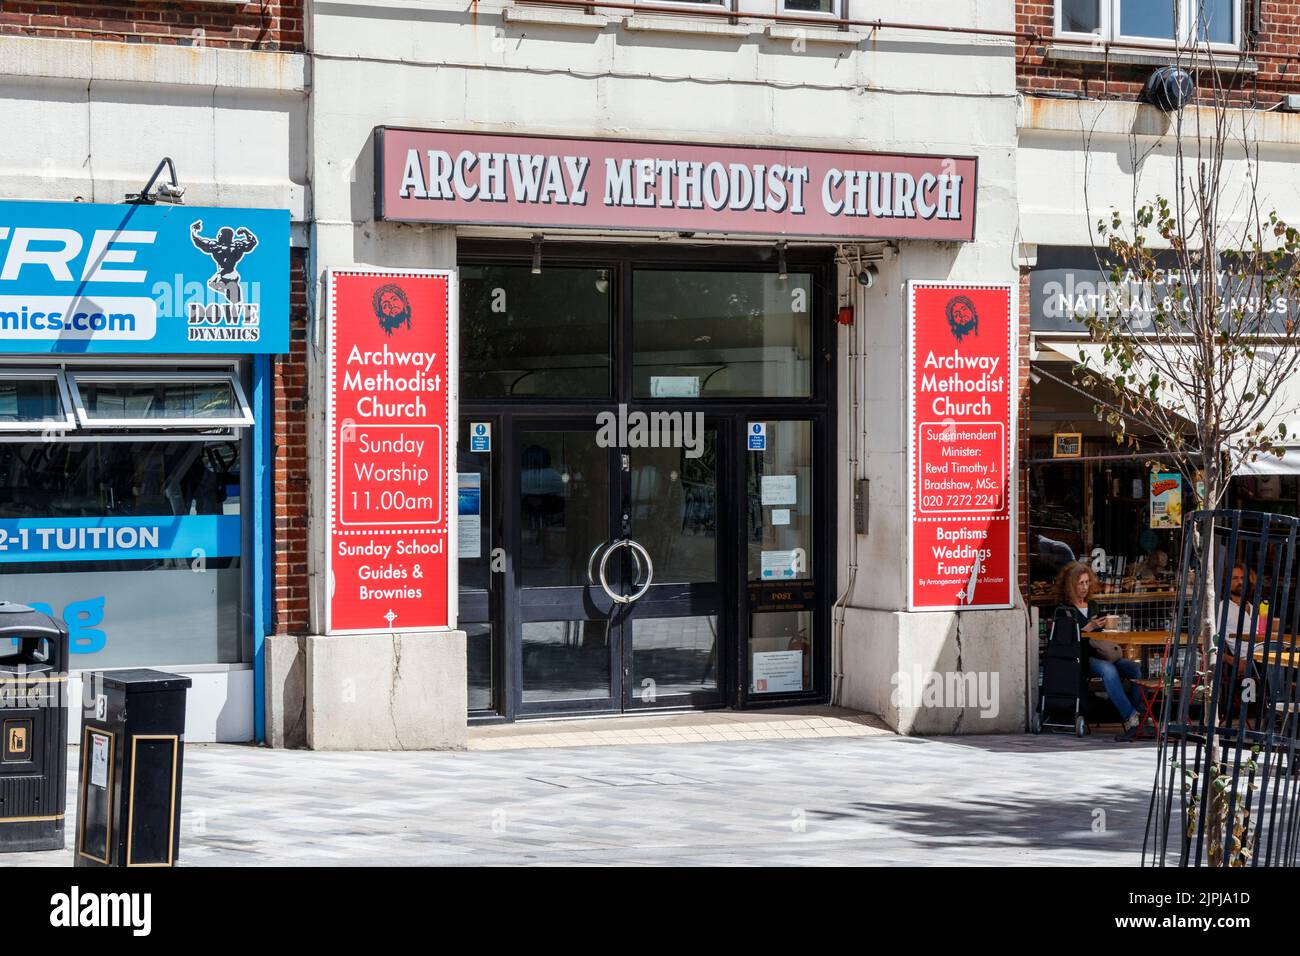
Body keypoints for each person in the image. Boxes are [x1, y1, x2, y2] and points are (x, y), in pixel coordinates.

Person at [1053, 561, 1145, 741]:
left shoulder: (1093, 605)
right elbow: (1066, 639)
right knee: (1109, 671)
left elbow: (1101, 635)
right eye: (1080, 583)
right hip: (1083, 657)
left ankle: (1138, 715)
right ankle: (1130, 716)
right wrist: (1088, 627)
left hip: (1104, 652)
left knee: (1135, 669)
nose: (1085, 587)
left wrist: (1106, 627)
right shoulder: (1065, 610)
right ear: (1071, 585)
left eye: (1087, 582)